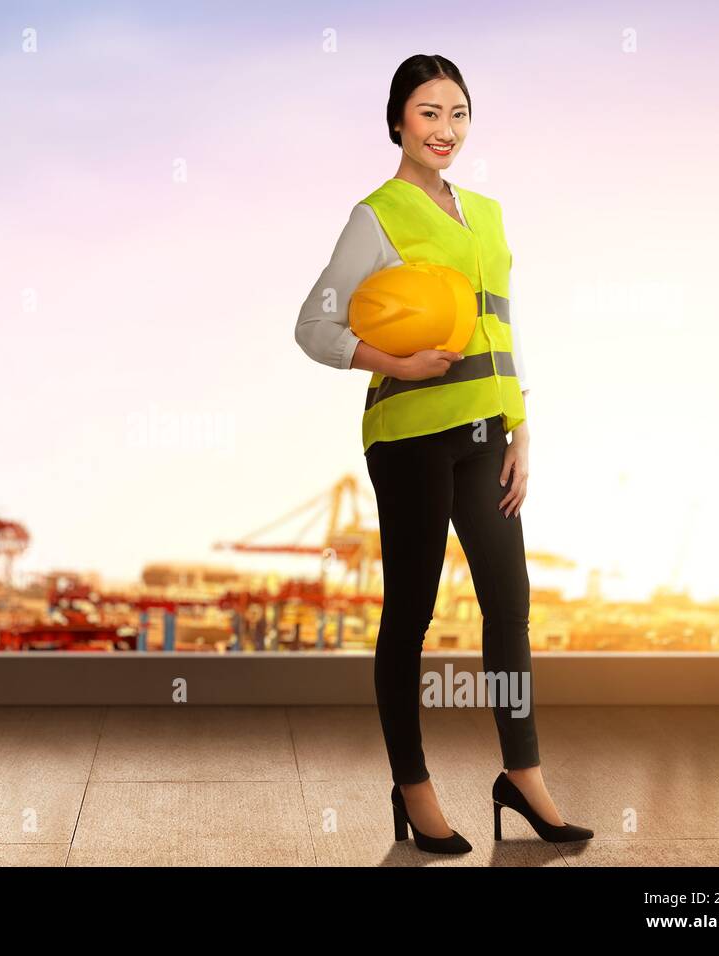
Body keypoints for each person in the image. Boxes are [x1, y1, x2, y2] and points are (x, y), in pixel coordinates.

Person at [294, 54, 592, 853]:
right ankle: (413, 786)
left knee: (510, 605)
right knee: (412, 614)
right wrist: (393, 363)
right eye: (428, 114)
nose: (445, 130)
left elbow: (503, 324)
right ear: (397, 120)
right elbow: (313, 328)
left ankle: (522, 776)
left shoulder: (488, 215)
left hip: (487, 429)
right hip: (411, 437)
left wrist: (520, 421)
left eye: (458, 114)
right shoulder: (377, 215)